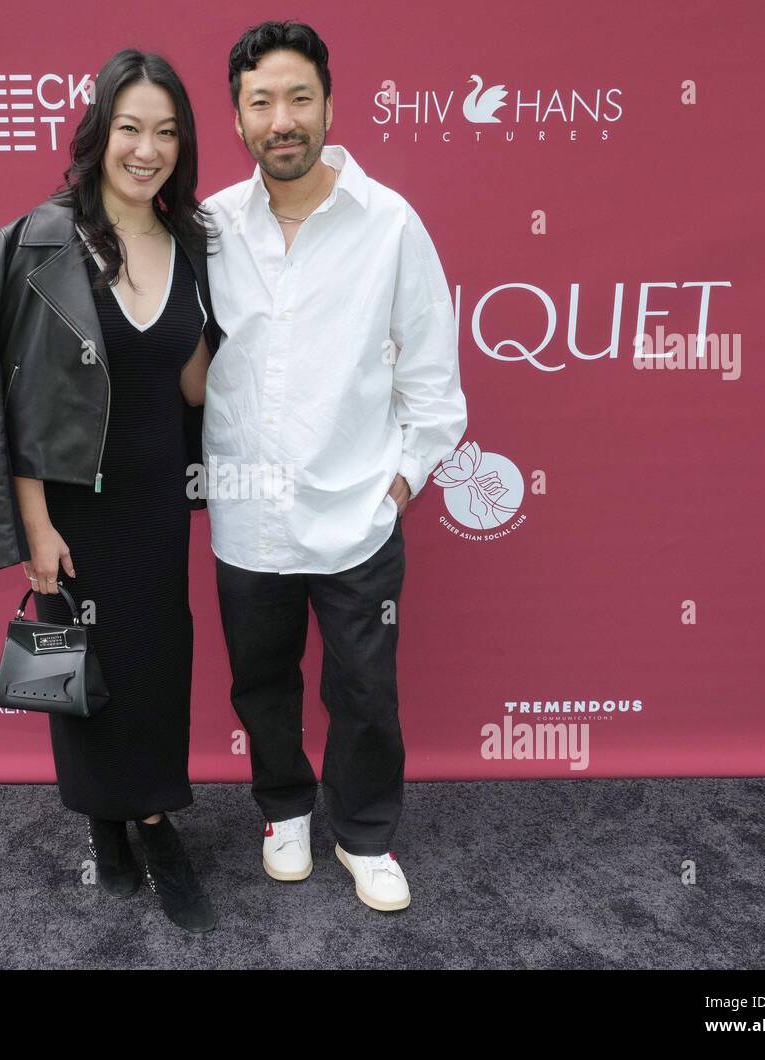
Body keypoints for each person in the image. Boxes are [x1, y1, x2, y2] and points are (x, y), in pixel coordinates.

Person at [200, 20, 468, 912]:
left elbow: (433, 375)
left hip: (358, 511)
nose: (283, 119)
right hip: (248, 515)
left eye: (299, 98)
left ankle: (364, 834)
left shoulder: (389, 222)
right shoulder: (208, 229)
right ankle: (282, 809)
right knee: (260, 681)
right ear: (237, 118)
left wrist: (402, 481)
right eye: (262, 102)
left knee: (365, 690)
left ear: (328, 105)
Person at [0, 48, 222, 934]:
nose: (146, 148)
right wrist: (35, 526)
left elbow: (193, 380)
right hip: (76, 500)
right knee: (81, 664)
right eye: (130, 128)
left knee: (154, 663)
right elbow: (21, 400)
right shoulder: (46, 239)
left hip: (158, 496)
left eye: (165, 131)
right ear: (98, 134)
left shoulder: (193, 240)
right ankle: (136, 826)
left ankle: (132, 811)